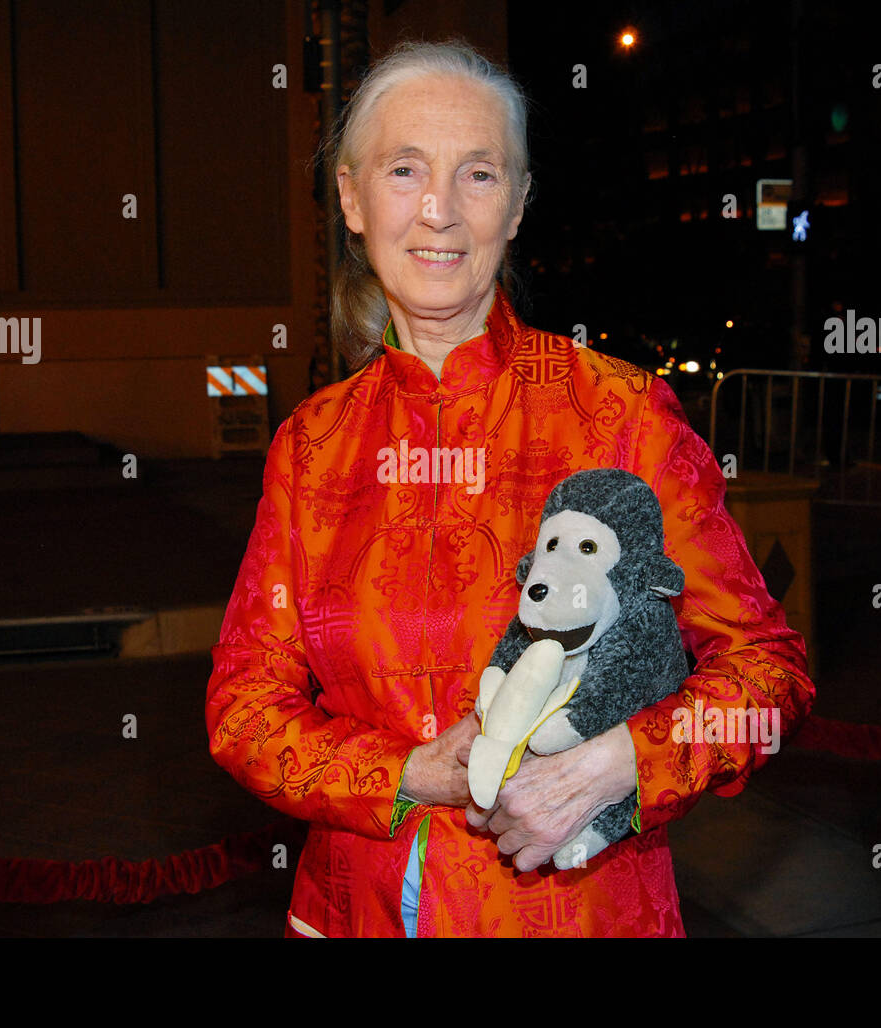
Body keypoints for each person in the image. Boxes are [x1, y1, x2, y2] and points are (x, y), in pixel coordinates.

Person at [205, 39, 814, 938]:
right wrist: (407, 773)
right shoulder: (312, 446)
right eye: (404, 169)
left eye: (479, 174)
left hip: (579, 913)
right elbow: (245, 710)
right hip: (354, 912)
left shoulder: (622, 414)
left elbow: (769, 670)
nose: (439, 210)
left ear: (520, 204)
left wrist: (617, 766)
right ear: (351, 199)